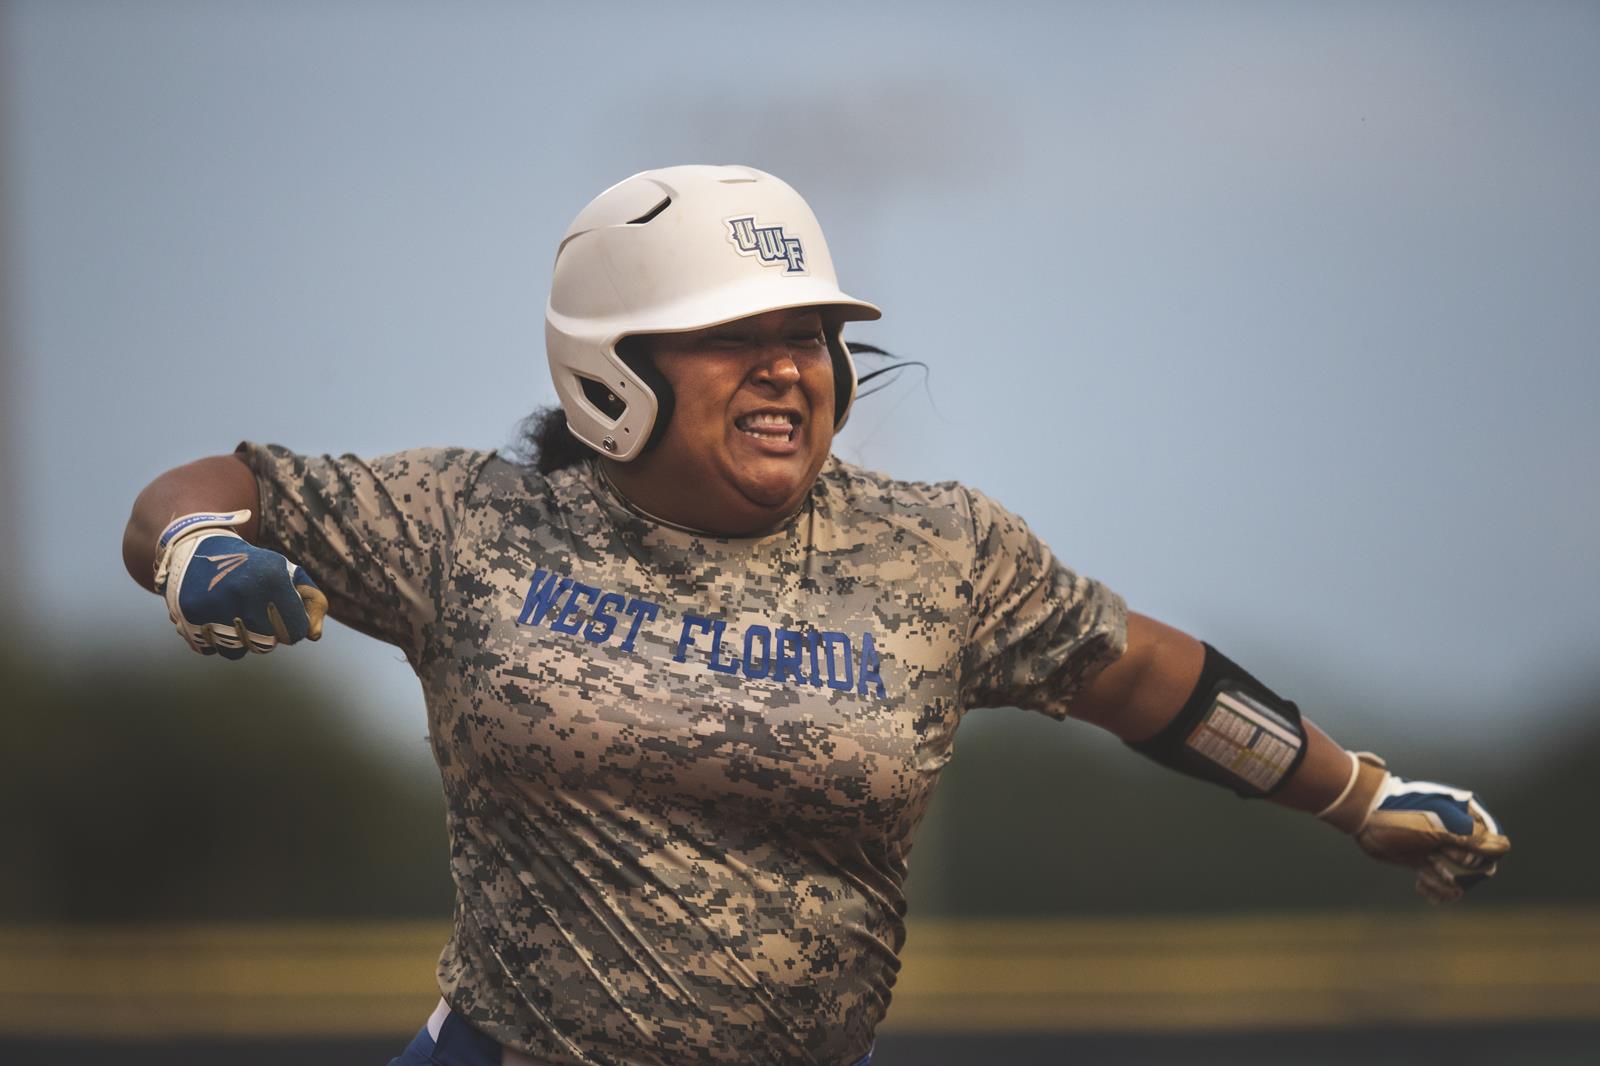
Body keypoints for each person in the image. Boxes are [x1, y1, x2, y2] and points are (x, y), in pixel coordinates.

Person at [122, 165, 1509, 1066]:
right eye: (740, 335)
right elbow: (212, 488)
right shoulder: (471, 521)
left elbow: (1141, 674)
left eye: (813, 336)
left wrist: (1356, 790)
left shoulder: (937, 551)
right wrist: (192, 550)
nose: (792, 369)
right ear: (616, 369)